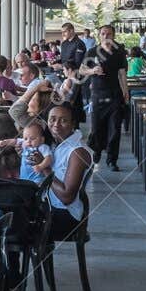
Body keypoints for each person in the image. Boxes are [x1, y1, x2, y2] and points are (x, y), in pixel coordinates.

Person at [43, 99, 93, 240]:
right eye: (52, 119)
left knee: (12, 226)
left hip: (65, 217)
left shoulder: (77, 152)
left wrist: (46, 169)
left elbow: (67, 197)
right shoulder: (53, 144)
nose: (56, 125)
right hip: (49, 209)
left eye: (63, 120)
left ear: (73, 124)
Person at [86, 23, 129, 171]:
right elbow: (81, 70)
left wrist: (126, 92)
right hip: (98, 95)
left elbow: (122, 74)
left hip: (115, 95)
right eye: (103, 34)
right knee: (97, 128)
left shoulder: (119, 53)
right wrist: (92, 71)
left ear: (113, 36)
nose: (106, 36)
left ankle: (112, 160)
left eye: (109, 34)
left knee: (115, 129)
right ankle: (97, 151)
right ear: (99, 36)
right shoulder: (92, 52)